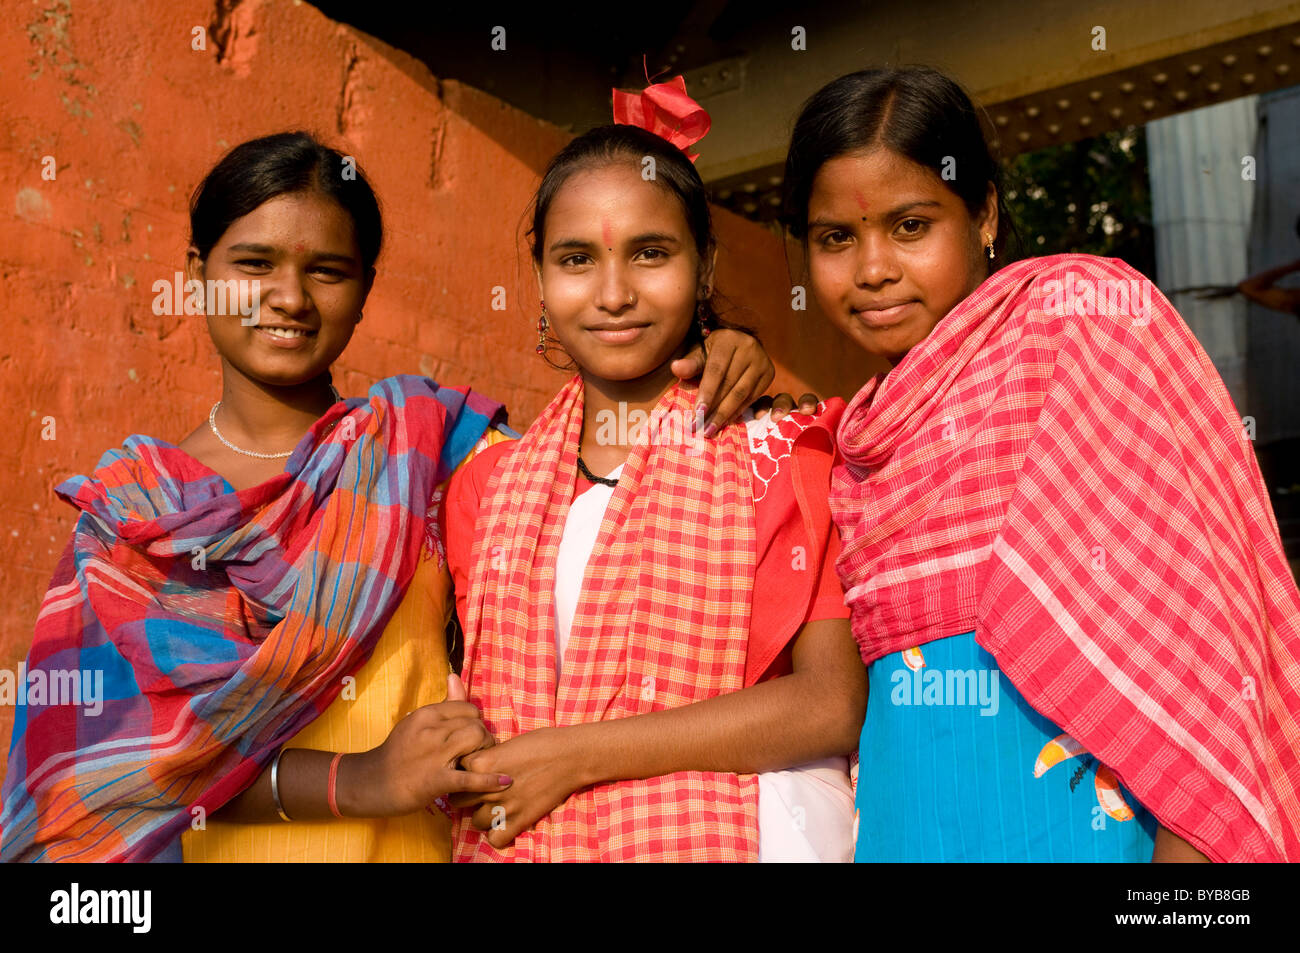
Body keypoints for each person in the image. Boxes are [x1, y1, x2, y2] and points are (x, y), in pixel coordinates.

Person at [0, 132, 773, 863]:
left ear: (366, 289)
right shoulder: (133, 522)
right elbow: (106, 772)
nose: (289, 298)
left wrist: (711, 353)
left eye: (328, 270)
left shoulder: (439, 457)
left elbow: (619, 476)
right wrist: (358, 779)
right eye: (253, 264)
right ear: (197, 270)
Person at [782, 66, 1300, 862]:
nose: (874, 268)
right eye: (837, 238)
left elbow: (1205, 666)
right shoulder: (852, 441)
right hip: (906, 833)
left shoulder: (1080, 325)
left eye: (912, 225)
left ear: (983, 211)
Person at [445, 95, 867, 862]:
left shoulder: (779, 456)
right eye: (576, 259)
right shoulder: (488, 486)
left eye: (650, 253)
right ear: (539, 278)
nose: (613, 294)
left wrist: (575, 754)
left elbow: (829, 704)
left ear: (703, 265)